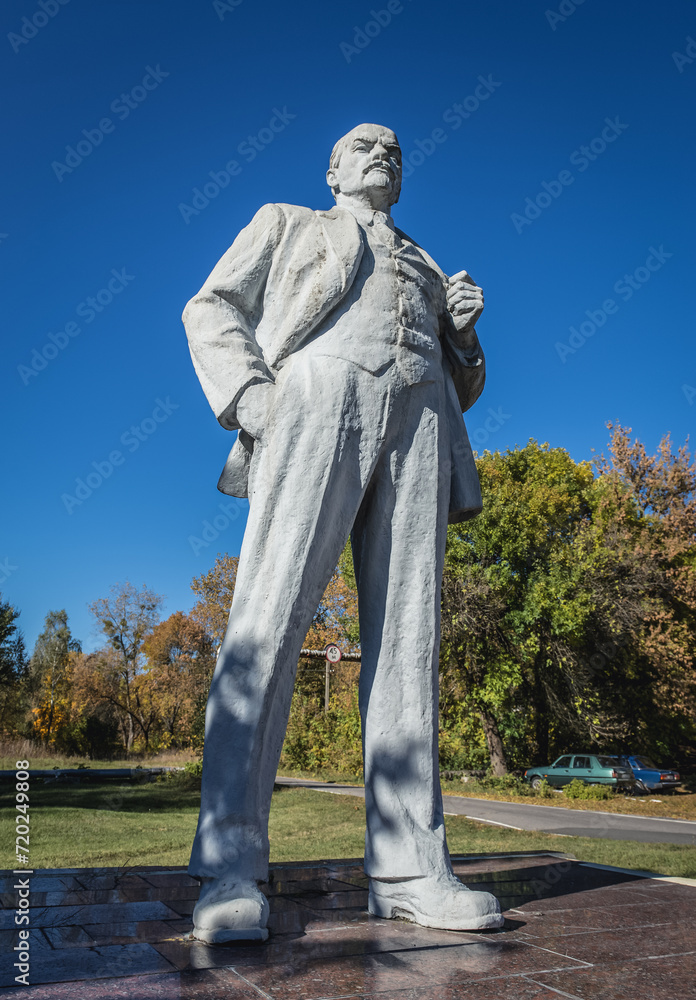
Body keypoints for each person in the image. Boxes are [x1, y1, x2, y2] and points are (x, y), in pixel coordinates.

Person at [183, 123, 504, 943]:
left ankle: (408, 871)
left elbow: (463, 383)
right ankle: (231, 867)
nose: (382, 152)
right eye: (364, 144)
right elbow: (209, 306)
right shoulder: (288, 222)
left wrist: (462, 338)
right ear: (332, 169)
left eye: (394, 147)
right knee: (269, 619)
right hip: (316, 398)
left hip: (423, 417)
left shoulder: (428, 264)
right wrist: (257, 403)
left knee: (408, 641)